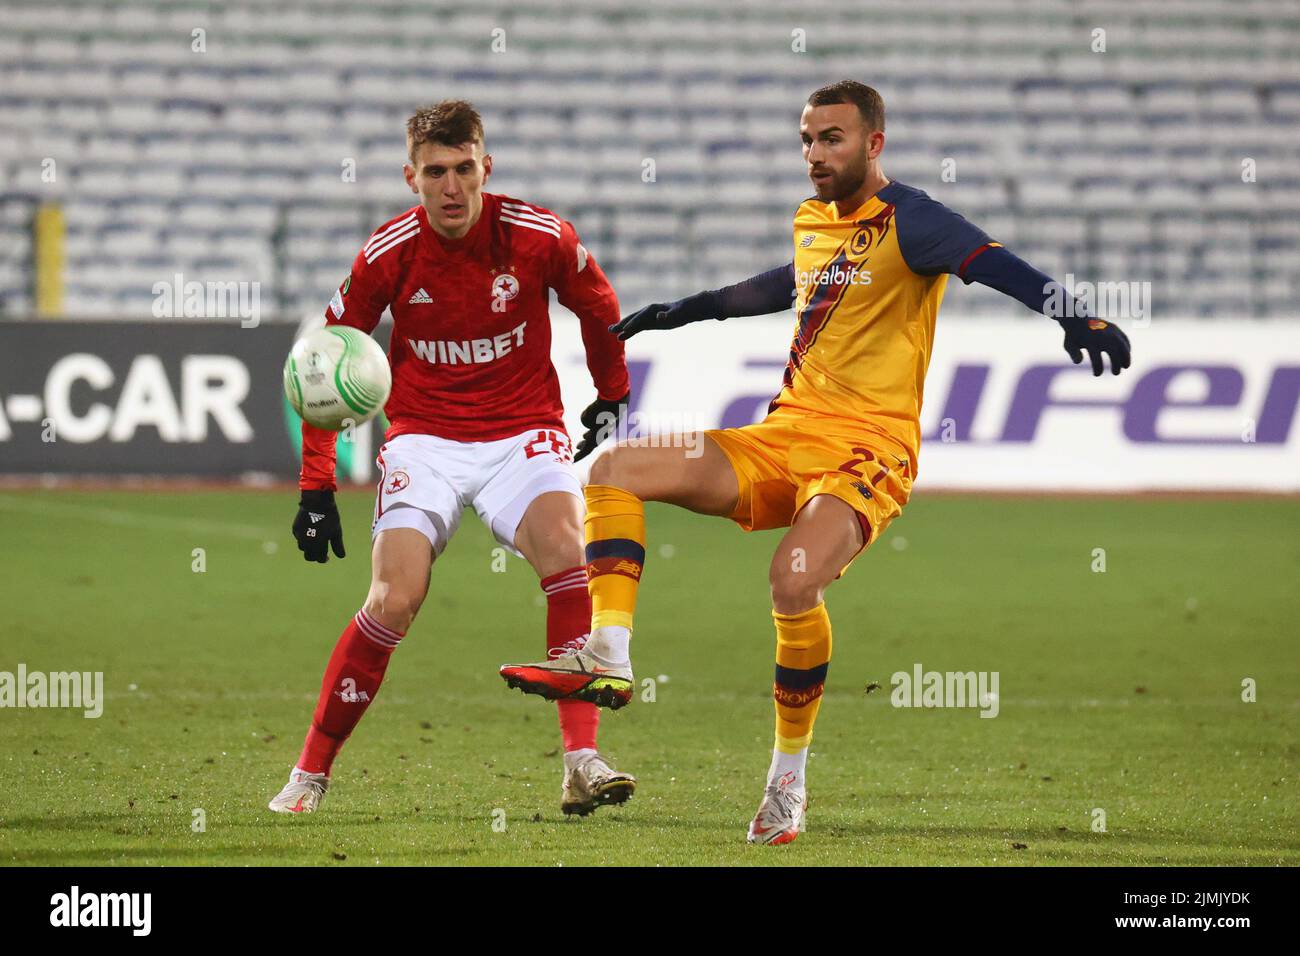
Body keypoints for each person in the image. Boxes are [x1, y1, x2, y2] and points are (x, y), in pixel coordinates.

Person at [499, 80, 1131, 844]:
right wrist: (682, 311)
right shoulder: (811, 221)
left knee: (794, 580)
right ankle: (610, 653)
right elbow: (779, 285)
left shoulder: (914, 220)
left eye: (832, 138)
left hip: (868, 449)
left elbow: (995, 262)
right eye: (806, 139)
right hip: (785, 435)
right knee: (614, 470)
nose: (814, 154)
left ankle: (786, 783)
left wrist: (1073, 313)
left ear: (874, 143)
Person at [269, 99, 636, 817]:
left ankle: (581, 762)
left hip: (521, 431)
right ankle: (310, 772)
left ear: (485, 167)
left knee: (569, 550)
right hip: (425, 438)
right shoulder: (388, 252)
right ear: (412, 176)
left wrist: (612, 394)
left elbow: (599, 305)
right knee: (393, 598)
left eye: (465, 169)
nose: (451, 187)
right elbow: (321, 363)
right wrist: (316, 489)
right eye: (435, 172)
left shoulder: (538, 236)